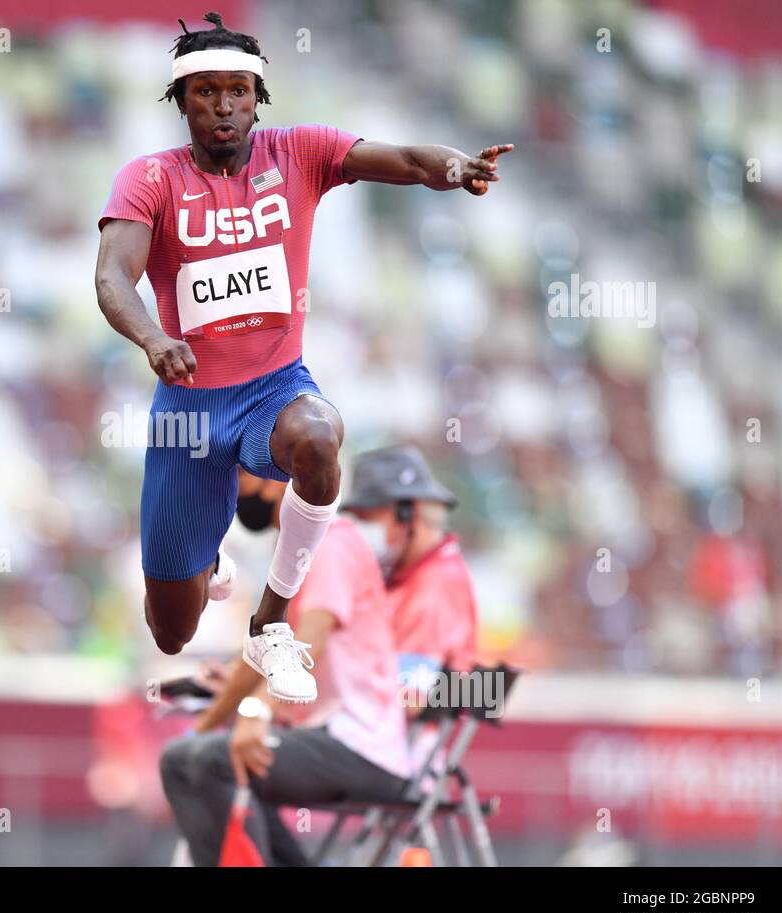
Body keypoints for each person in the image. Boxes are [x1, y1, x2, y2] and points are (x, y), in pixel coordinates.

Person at [94, 11, 512, 703]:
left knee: (319, 439)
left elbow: (406, 160)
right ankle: (206, 557)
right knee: (173, 630)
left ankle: (270, 623)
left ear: (258, 98)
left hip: (273, 390)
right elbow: (113, 275)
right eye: (205, 92)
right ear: (181, 102)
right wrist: (153, 338)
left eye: (237, 90)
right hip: (190, 415)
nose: (223, 106)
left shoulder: (300, 153)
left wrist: (455, 167)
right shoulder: (150, 180)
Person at [159, 465, 411, 866]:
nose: (229, 490)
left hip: (361, 746)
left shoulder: (332, 540)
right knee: (179, 760)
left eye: (237, 475)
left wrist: (256, 711)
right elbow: (262, 657)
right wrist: (207, 724)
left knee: (215, 761)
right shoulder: (292, 556)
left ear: (279, 478)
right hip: (322, 735)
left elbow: (313, 635)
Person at [341, 445, 479, 773]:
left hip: (396, 750)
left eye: (366, 518)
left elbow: (411, 700)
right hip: (378, 739)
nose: (359, 530)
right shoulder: (402, 579)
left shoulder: (436, 586)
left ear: (408, 514)